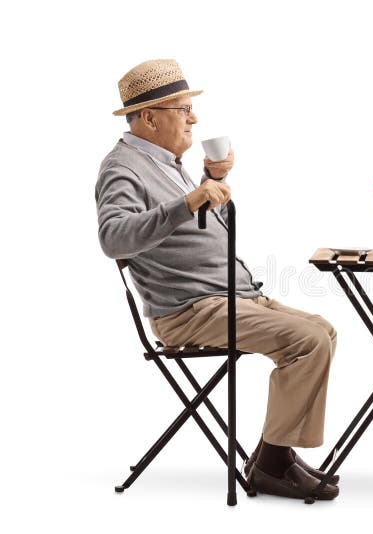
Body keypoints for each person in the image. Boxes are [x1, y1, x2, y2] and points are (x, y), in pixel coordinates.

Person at [96, 59, 339, 500]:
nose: (194, 118)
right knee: (308, 341)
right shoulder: (123, 167)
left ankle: (273, 453)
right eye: (183, 109)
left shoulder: (169, 162)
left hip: (231, 297)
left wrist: (213, 180)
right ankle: (271, 464)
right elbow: (114, 238)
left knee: (322, 330)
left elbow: (200, 228)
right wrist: (189, 200)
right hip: (190, 310)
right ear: (150, 117)